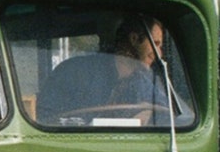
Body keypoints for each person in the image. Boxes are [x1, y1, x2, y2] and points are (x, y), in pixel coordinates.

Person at [37, 14, 170, 125]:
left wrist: (149, 112)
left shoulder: (143, 80)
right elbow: (46, 118)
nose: (159, 54)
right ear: (134, 39)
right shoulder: (74, 72)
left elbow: (166, 111)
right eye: (155, 44)